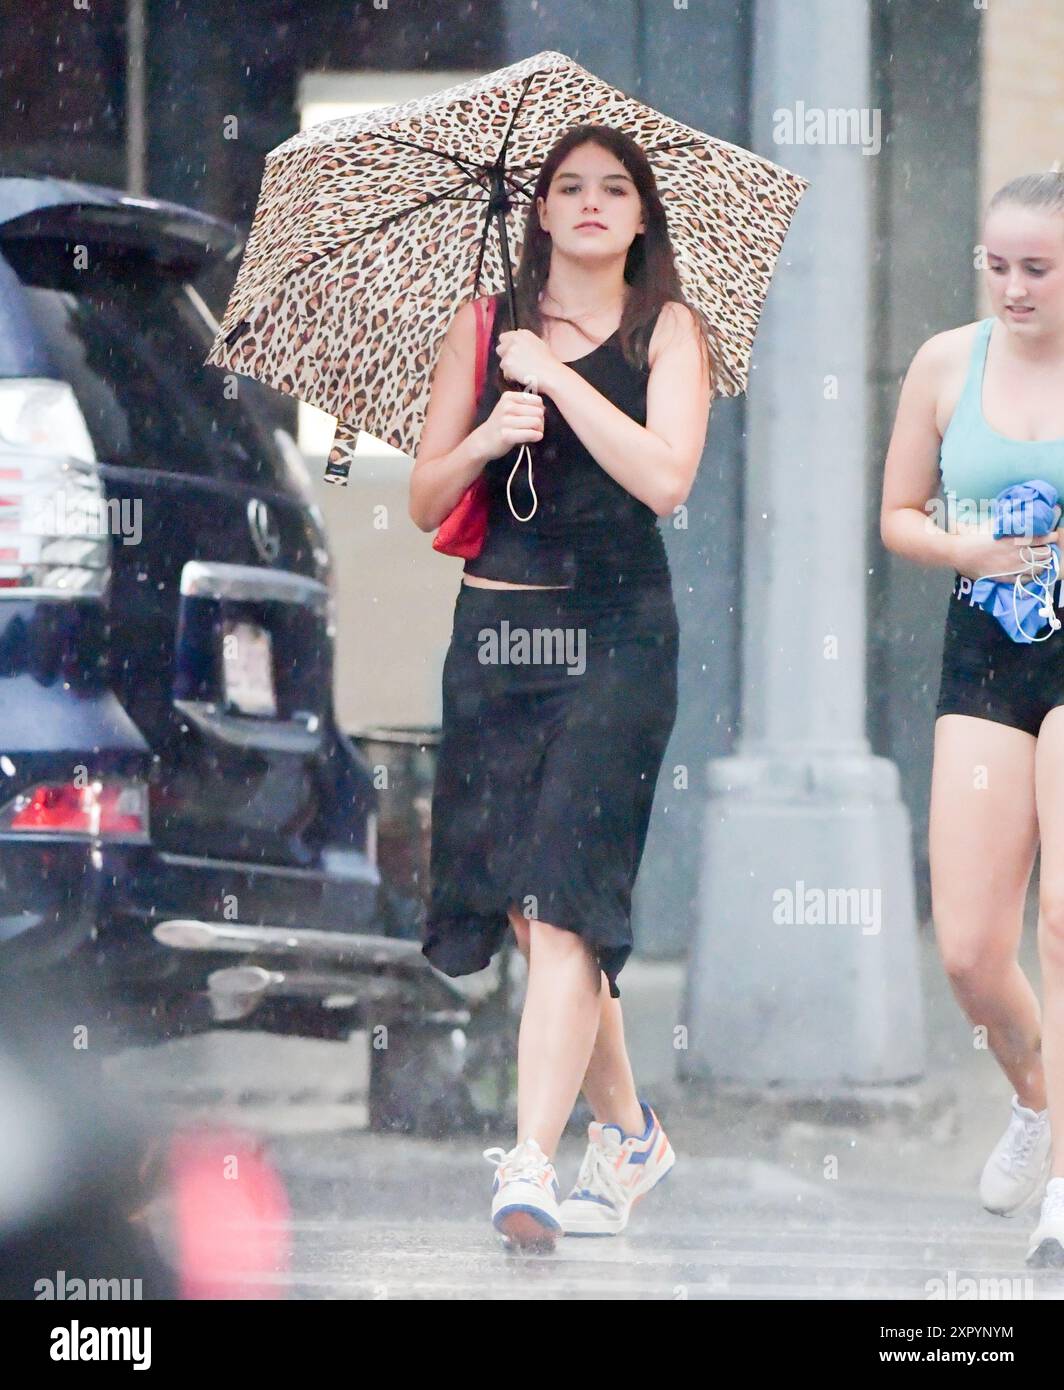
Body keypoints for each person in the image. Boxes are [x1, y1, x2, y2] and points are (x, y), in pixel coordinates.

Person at [409, 124, 715, 1251]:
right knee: (528, 914)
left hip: (616, 635)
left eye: (614, 189)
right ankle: (629, 1131)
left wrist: (560, 382)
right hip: (496, 636)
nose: (590, 203)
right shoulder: (482, 328)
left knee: (567, 896)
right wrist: (490, 424)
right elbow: (420, 496)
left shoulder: (668, 329)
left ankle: (529, 1159)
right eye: (568, 188)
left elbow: (663, 477)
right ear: (537, 213)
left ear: (641, 217)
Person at [880, 167, 1064, 1267]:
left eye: (1035, 269)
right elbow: (896, 513)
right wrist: (965, 547)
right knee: (967, 950)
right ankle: (1034, 1097)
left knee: (1063, 925)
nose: (1012, 288)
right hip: (987, 644)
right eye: (993, 266)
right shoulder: (947, 362)